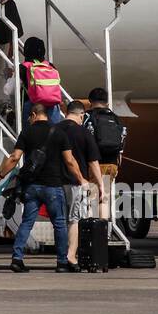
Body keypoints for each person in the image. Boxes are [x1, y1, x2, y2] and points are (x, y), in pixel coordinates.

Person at [0, 102, 76, 272]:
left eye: (29, 117)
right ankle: (61, 262)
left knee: (27, 222)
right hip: (53, 185)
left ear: (35, 114)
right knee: (59, 223)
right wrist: (80, 178)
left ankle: (17, 259)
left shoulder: (27, 132)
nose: (29, 120)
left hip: (32, 186)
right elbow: (69, 160)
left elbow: (14, 157)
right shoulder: (59, 132)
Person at [57, 101, 100, 268]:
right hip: (77, 182)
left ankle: (61, 257)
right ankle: (70, 256)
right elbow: (93, 162)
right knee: (75, 220)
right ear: (81, 115)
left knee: (59, 221)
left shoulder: (55, 130)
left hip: (56, 183)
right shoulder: (84, 132)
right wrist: (99, 186)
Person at [84, 87, 126, 220]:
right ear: (107, 101)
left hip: (93, 164)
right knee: (104, 198)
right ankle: (104, 232)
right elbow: (122, 139)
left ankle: (91, 232)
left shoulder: (87, 117)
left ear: (90, 101)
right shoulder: (115, 118)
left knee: (91, 199)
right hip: (111, 163)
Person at [18, 38, 67, 127]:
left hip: (31, 105)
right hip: (53, 105)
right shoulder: (50, 66)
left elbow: (9, 90)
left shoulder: (23, 67)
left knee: (30, 135)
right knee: (53, 133)